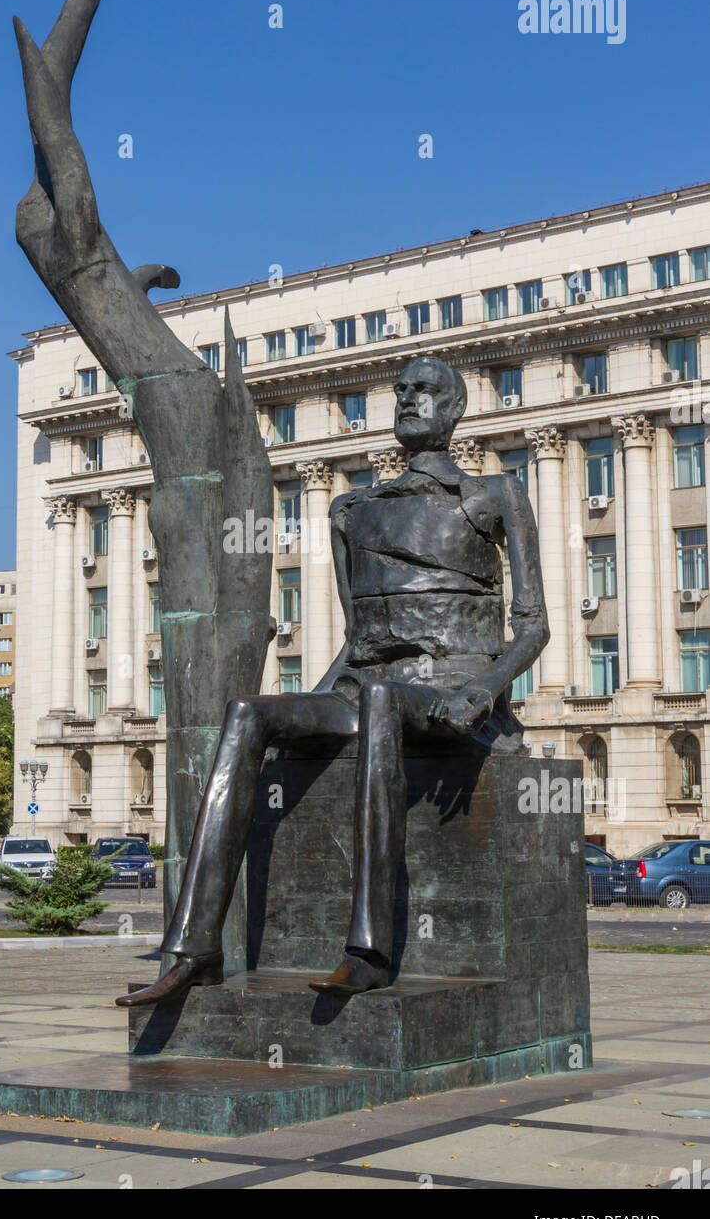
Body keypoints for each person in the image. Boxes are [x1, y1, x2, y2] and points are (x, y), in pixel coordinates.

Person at [117, 354, 548, 1005]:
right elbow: (356, 638)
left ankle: (366, 951)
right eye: (401, 390)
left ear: (456, 409)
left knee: (379, 701)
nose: (409, 399)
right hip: (370, 684)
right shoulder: (351, 509)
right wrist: (305, 711)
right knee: (250, 714)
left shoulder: (495, 495)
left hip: (451, 689)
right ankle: (195, 948)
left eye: (426, 390)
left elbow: (534, 626)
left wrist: (485, 690)